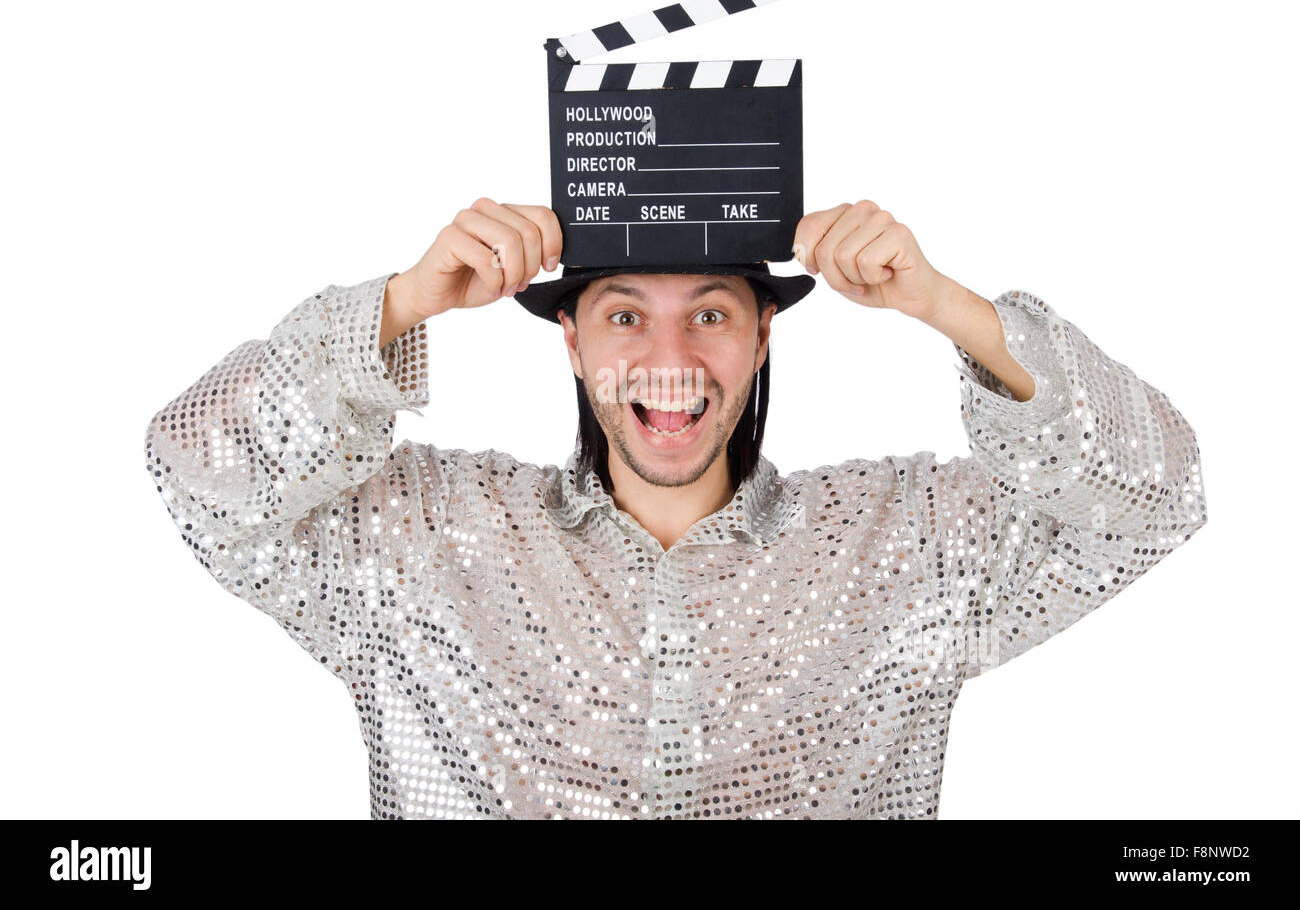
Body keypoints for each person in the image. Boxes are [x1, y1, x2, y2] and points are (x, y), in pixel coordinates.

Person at [143, 196, 1207, 819]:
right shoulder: (416, 536)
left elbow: (1155, 496)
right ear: (571, 341)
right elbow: (198, 470)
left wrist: (944, 306)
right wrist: (402, 303)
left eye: (709, 313)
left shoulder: (911, 539)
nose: (668, 361)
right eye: (621, 316)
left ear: (759, 338)